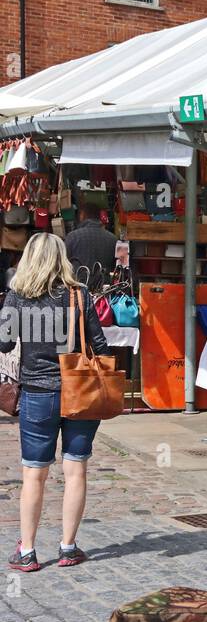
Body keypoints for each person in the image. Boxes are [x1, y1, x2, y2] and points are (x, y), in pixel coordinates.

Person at [0, 232, 109, 571]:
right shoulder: (80, 294)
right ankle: (68, 547)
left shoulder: (17, 297)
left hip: (36, 393)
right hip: (80, 392)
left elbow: (3, 345)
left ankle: (28, 552)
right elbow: (101, 346)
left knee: (34, 474)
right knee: (75, 469)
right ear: (63, 258)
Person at [64, 208, 118, 288]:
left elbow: (64, 263)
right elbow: (117, 267)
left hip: (78, 288)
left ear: (82, 216)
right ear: (98, 217)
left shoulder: (72, 237)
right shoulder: (113, 239)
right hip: (104, 289)